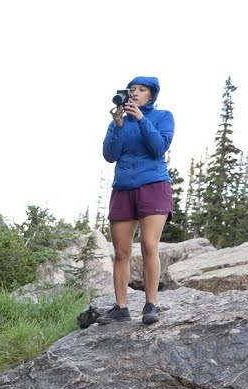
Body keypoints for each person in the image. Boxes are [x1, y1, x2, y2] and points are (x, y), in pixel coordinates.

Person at [99, 76, 175, 326]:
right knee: (121, 251)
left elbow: (158, 147)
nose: (135, 93)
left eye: (142, 90)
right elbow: (110, 155)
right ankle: (121, 307)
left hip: (153, 185)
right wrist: (118, 125)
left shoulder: (163, 117)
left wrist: (142, 119)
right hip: (123, 187)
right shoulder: (119, 120)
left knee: (149, 245)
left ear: (152, 95)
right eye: (132, 89)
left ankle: (150, 304)